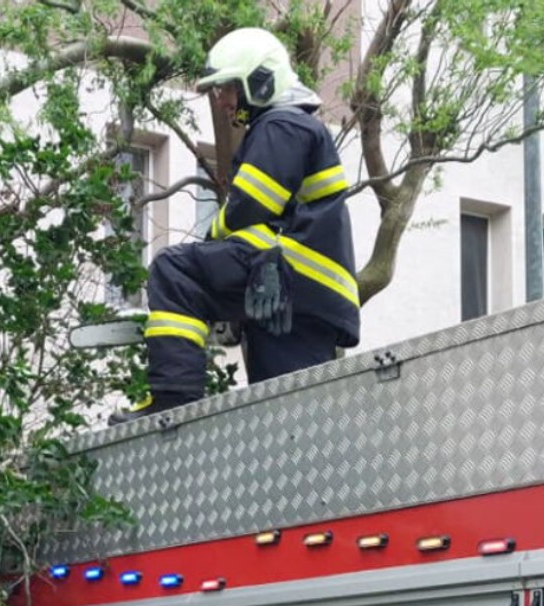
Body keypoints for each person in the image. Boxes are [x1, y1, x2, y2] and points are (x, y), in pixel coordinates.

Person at [108, 27, 360, 426]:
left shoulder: (284, 126)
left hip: (294, 275)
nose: (222, 100)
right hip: (308, 295)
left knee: (176, 271)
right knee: (288, 416)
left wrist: (209, 249)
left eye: (227, 88)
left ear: (259, 82)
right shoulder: (296, 127)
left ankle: (172, 402)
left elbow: (248, 209)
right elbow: (277, 221)